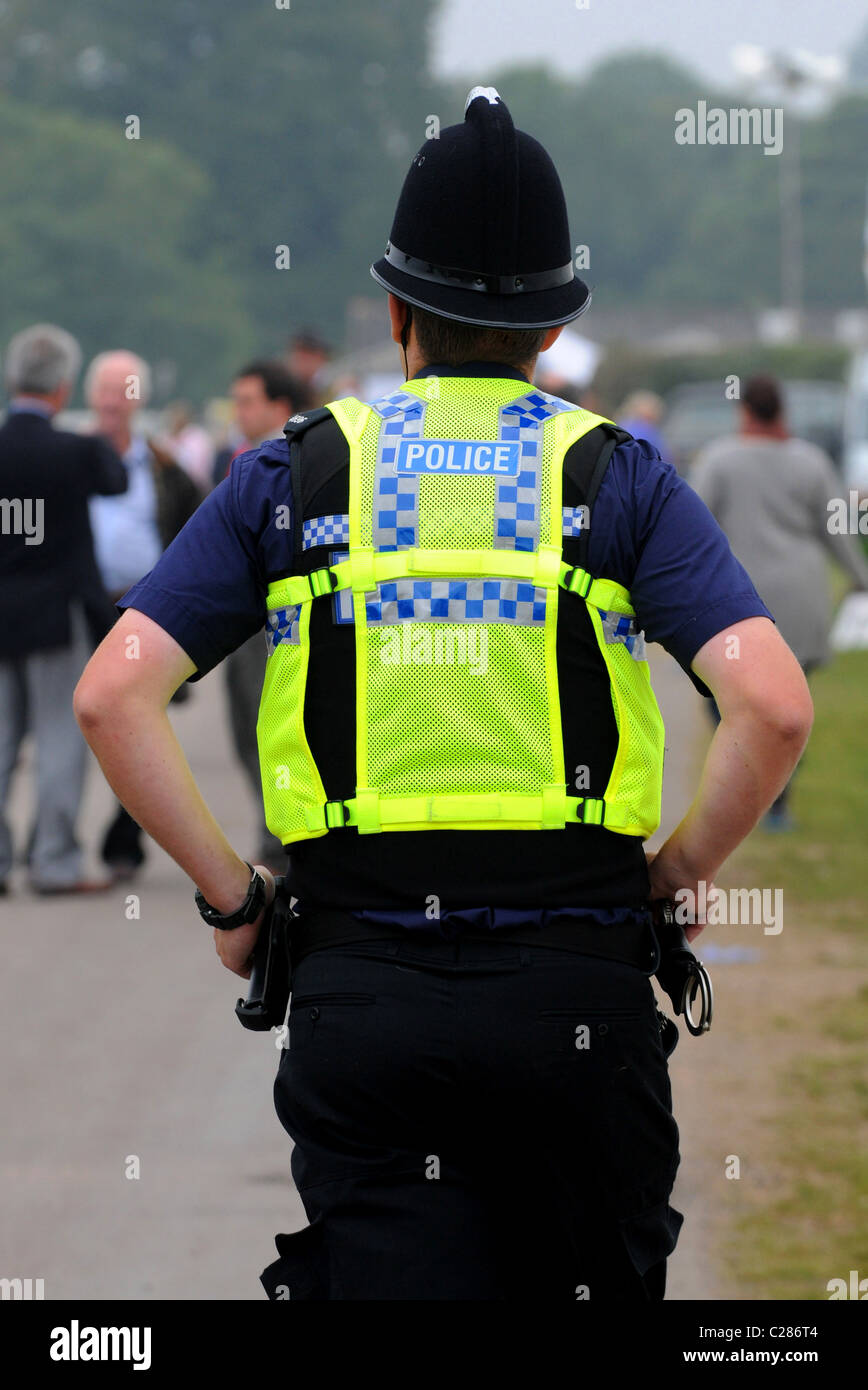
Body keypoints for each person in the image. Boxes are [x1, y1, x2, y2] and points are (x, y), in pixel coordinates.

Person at [73, 87, 813, 1301]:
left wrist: (232, 901)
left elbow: (113, 694)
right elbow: (774, 706)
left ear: (395, 310)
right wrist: (673, 877)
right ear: (550, 330)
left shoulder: (294, 470)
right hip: (575, 983)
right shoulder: (616, 475)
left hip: (361, 989)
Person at [691, 372, 868, 829]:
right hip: (801, 599)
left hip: (735, 603)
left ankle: (750, 792)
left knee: (727, 703)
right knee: (788, 708)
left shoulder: (718, 459)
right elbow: (838, 529)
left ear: (743, 409)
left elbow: (690, 527)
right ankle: (778, 800)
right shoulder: (810, 461)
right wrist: (860, 577)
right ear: (781, 409)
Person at [0, 324, 127, 894]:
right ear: (61, 389)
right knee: (57, 739)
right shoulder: (73, 451)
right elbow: (117, 478)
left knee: (2, 739)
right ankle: (52, 862)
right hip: (58, 612)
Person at [86, 350, 202, 879]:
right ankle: (53, 839)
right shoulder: (74, 456)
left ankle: (123, 836)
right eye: (107, 390)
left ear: (140, 398)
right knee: (77, 720)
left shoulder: (163, 464)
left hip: (140, 607)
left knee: (134, 722)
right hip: (82, 603)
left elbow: (193, 527)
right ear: (92, 395)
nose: (115, 402)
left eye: (124, 391)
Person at [216, 360, 309, 872]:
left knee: (265, 724)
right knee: (243, 725)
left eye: (247, 400)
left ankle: (281, 840)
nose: (238, 411)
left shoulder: (289, 463)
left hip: (275, 618)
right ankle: (276, 831)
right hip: (248, 620)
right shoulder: (247, 457)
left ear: (279, 407)